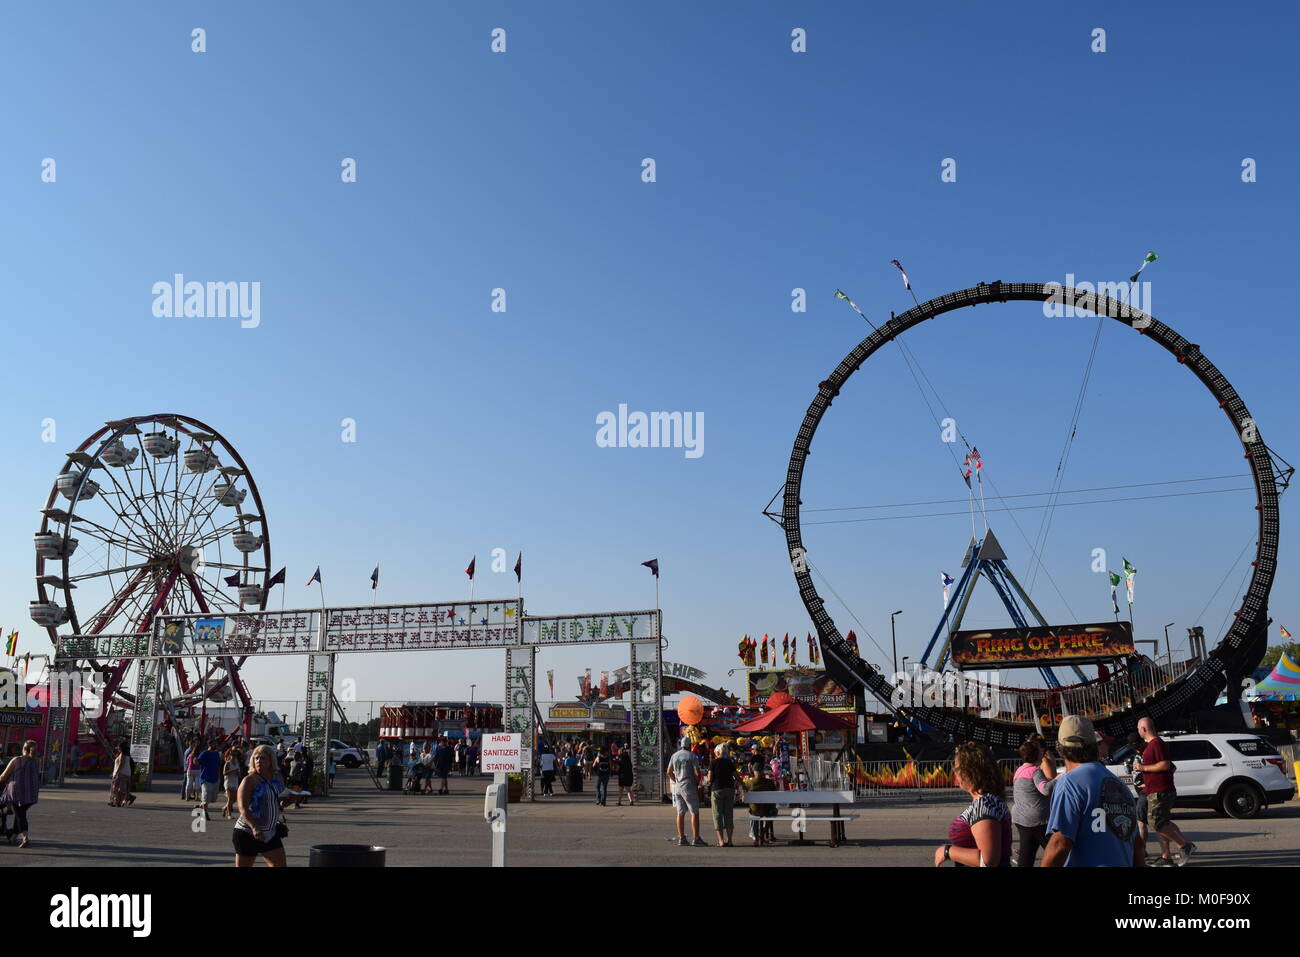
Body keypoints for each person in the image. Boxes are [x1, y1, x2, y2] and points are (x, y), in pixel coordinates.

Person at [1041, 715, 1144, 867]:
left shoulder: (1069, 783)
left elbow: (1059, 845)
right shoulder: (1119, 786)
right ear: (1094, 746)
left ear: (1060, 749)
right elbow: (1136, 845)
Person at [934, 741, 1012, 867]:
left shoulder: (985, 806)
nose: (954, 772)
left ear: (970, 771)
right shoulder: (988, 801)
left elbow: (989, 860)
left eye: (957, 767)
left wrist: (948, 851)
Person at [1135, 717, 1196, 866]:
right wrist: (1151, 780)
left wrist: (1143, 768)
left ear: (1143, 729)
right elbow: (1171, 768)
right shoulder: (1153, 745)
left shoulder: (1156, 744)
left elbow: (1166, 765)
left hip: (1160, 791)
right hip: (1155, 789)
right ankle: (1166, 857)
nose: (1138, 732)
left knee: (1156, 822)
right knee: (1162, 822)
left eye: (1138, 729)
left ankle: (1184, 845)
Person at [233, 745, 287, 867]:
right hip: (248, 832)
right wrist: (254, 827)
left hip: (270, 832)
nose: (258, 761)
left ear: (271, 760)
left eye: (262, 758)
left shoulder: (277, 778)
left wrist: (292, 799)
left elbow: (278, 801)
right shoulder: (249, 780)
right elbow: (243, 808)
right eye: (256, 758)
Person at [1010, 735, 1056, 866]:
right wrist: (1059, 778)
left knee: (1027, 854)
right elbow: (1045, 789)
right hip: (1038, 819)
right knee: (1056, 851)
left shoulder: (1019, 770)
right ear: (1036, 755)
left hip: (1021, 818)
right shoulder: (1035, 771)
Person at [0, 740, 41, 848]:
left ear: (24, 748)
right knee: (20, 813)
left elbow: (3, 776)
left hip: (17, 792)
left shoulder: (17, 760)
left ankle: (25, 837)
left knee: (20, 815)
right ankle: (13, 837)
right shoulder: (36, 761)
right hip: (31, 793)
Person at [668, 738, 706, 847]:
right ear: (689, 745)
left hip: (678, 786)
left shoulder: (674, 756)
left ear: (681, 745)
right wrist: (698, 783)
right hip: (689, 785)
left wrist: (676, 780)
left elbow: (668, 772)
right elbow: (697, 772)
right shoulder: (691, 756)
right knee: (694, 811)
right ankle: (696, 838)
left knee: (680, 812)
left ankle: (682, 838)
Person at [706, 744, 744, 847]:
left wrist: (707, 782)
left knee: (717, 815)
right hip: (729, 789)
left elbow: (709, 779)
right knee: (728, 815)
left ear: (717, 753)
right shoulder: (729, 762)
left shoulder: (713, 763)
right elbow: (736, 776)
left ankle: (721, 841)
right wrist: (743, 785)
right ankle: (730, 840)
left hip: (717, 789)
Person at [745, 763, 777, 846]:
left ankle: (755, 836)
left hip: (755, 811)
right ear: (763, 771)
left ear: (754, 772)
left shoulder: (749, 782)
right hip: (768, 810)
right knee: (771, 811)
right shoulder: (770, 782)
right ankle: (764, 834)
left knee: (752, 812)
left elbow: (744, 794)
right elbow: (774, 794)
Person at [1125, 733, 1148, 845]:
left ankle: (1142, 849)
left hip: (1146, 792)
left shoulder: (1148, 753)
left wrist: (1148, 784)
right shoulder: (1138, 754)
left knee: (1141, 821)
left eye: (1136, 746)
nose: (1135, 749)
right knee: (1145, 821)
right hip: (1141, 792)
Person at [196, 740, 223, 821]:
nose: (216, 745)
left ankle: (200, 807)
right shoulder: (204, 753)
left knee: (213, 798)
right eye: (214, 744)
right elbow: (198, 761)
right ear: (210, 744)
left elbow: (219, 765)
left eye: (216, 743)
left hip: (215, 778)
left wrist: (219, 777)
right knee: (206, 795)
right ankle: (205, 813)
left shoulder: (216, 754)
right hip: (205, 778)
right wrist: (195, 760)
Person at [110, 741, 136, 807]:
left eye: (118, 747)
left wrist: (116, 773)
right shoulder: (126, 754)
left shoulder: (123, 754)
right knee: (120, 789)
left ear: (121, 747)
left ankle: (117, 802)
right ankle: (118, 801)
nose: (117, 748)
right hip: (126, 773)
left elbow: (121, 764)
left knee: (116, 789)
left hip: (121, 773)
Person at [222, 748, 243, 820]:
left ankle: (225, 808)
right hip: (228, 782)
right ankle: (229, 814)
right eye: (233, 755)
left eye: (235, 755)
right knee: (230, 799)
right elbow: (224, 773)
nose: (234, 757)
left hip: (235, 782)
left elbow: (239, 774)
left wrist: (238, 773)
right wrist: (233, 770)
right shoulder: (228, 763)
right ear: (230, 756)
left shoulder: (237, 763)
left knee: (234, 799)